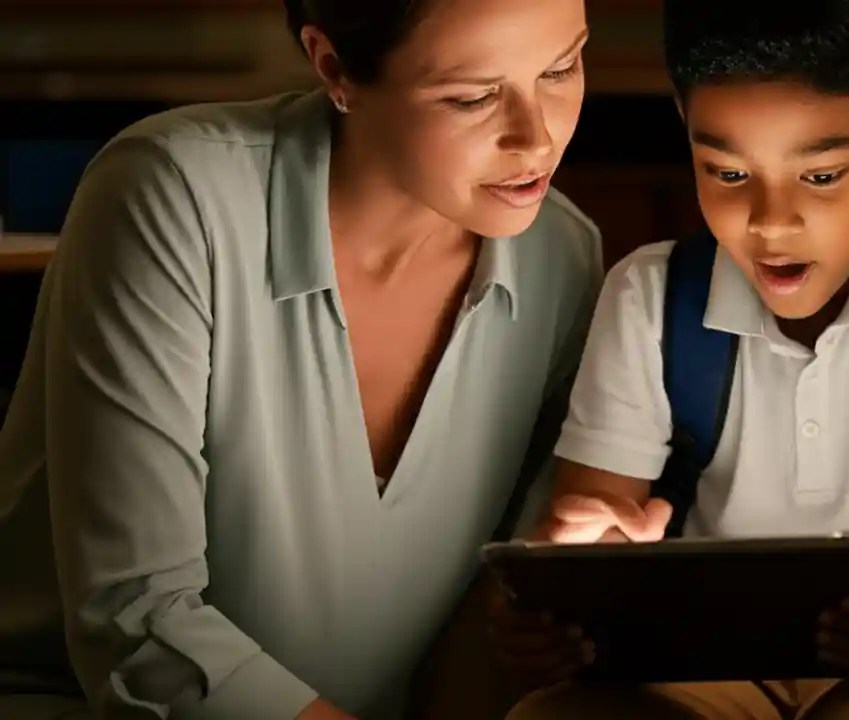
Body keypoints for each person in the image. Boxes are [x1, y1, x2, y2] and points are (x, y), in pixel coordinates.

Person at [0, 0, 598, 718]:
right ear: (334, 67)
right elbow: (141, 629)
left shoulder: (562, 258)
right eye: (472, 97)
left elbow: (493, 620)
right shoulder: (174, 195)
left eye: (561, 68)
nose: (538, 136)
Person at [490, 1, 849, 718]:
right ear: (685, 127)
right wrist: (573, 580)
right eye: (727, 173)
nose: (772, 222)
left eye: (823, 176)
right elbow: (582, 538)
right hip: (701, 669)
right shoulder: (648, 295)